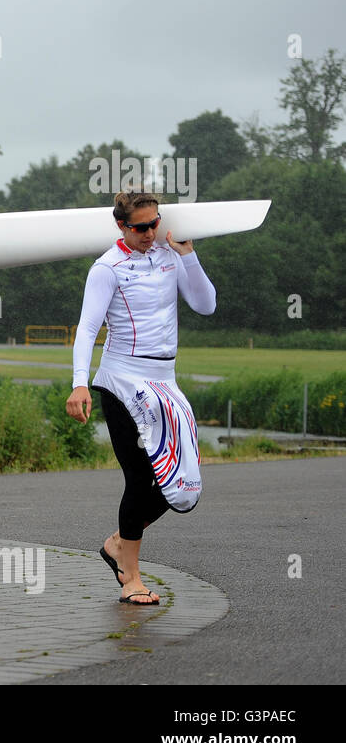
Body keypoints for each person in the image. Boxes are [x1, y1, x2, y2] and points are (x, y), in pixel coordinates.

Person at [66, 192, 216, 605]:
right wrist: (80, 383)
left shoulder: (170, 255)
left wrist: (188, 256)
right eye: (140, 228)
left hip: (165, 381)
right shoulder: (106, 268)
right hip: (121, 380)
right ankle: (130, 577)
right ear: (121, 227)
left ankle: (118, 543)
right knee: (140, 479)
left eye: (154, 224)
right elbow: (86, 329)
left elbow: (206, 305)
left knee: (182, 484)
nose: (149, 233)